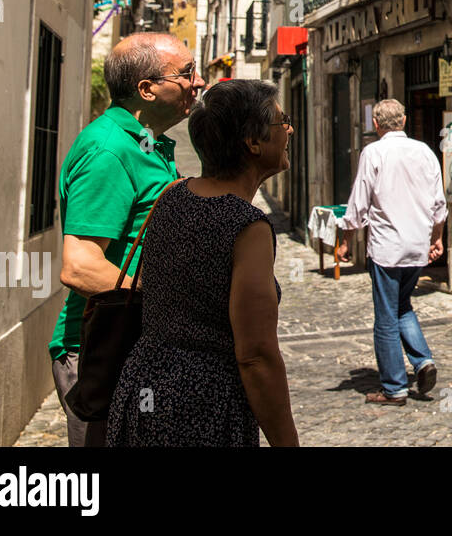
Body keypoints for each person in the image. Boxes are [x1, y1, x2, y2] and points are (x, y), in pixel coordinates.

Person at [107, 80, 299, 446]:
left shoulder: (171, 195)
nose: (289, 129)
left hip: (144, 388)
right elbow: (256, 357)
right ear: (253, 143)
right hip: (202, 405)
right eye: (282, 121)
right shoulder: (247, 226)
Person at [48, 32, 204, 446]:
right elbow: (80, 265)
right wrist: (168, 305)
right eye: (187, 73)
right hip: (103, 350)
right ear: (147, 89)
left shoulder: (143, 142)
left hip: (135, 342)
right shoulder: (109, 151)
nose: (199, 81)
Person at [338, 98, 446, 405]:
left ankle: (395, 387)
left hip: (387, 248)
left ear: (375, 124)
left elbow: (358, 203)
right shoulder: (424, 151)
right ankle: (423, 360)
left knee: (385, 316)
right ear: (404, 121)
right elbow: (438, 203)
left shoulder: (373, 152)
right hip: (416, 245)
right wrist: (436, 239)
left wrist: (346, 239)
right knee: (401, 305)